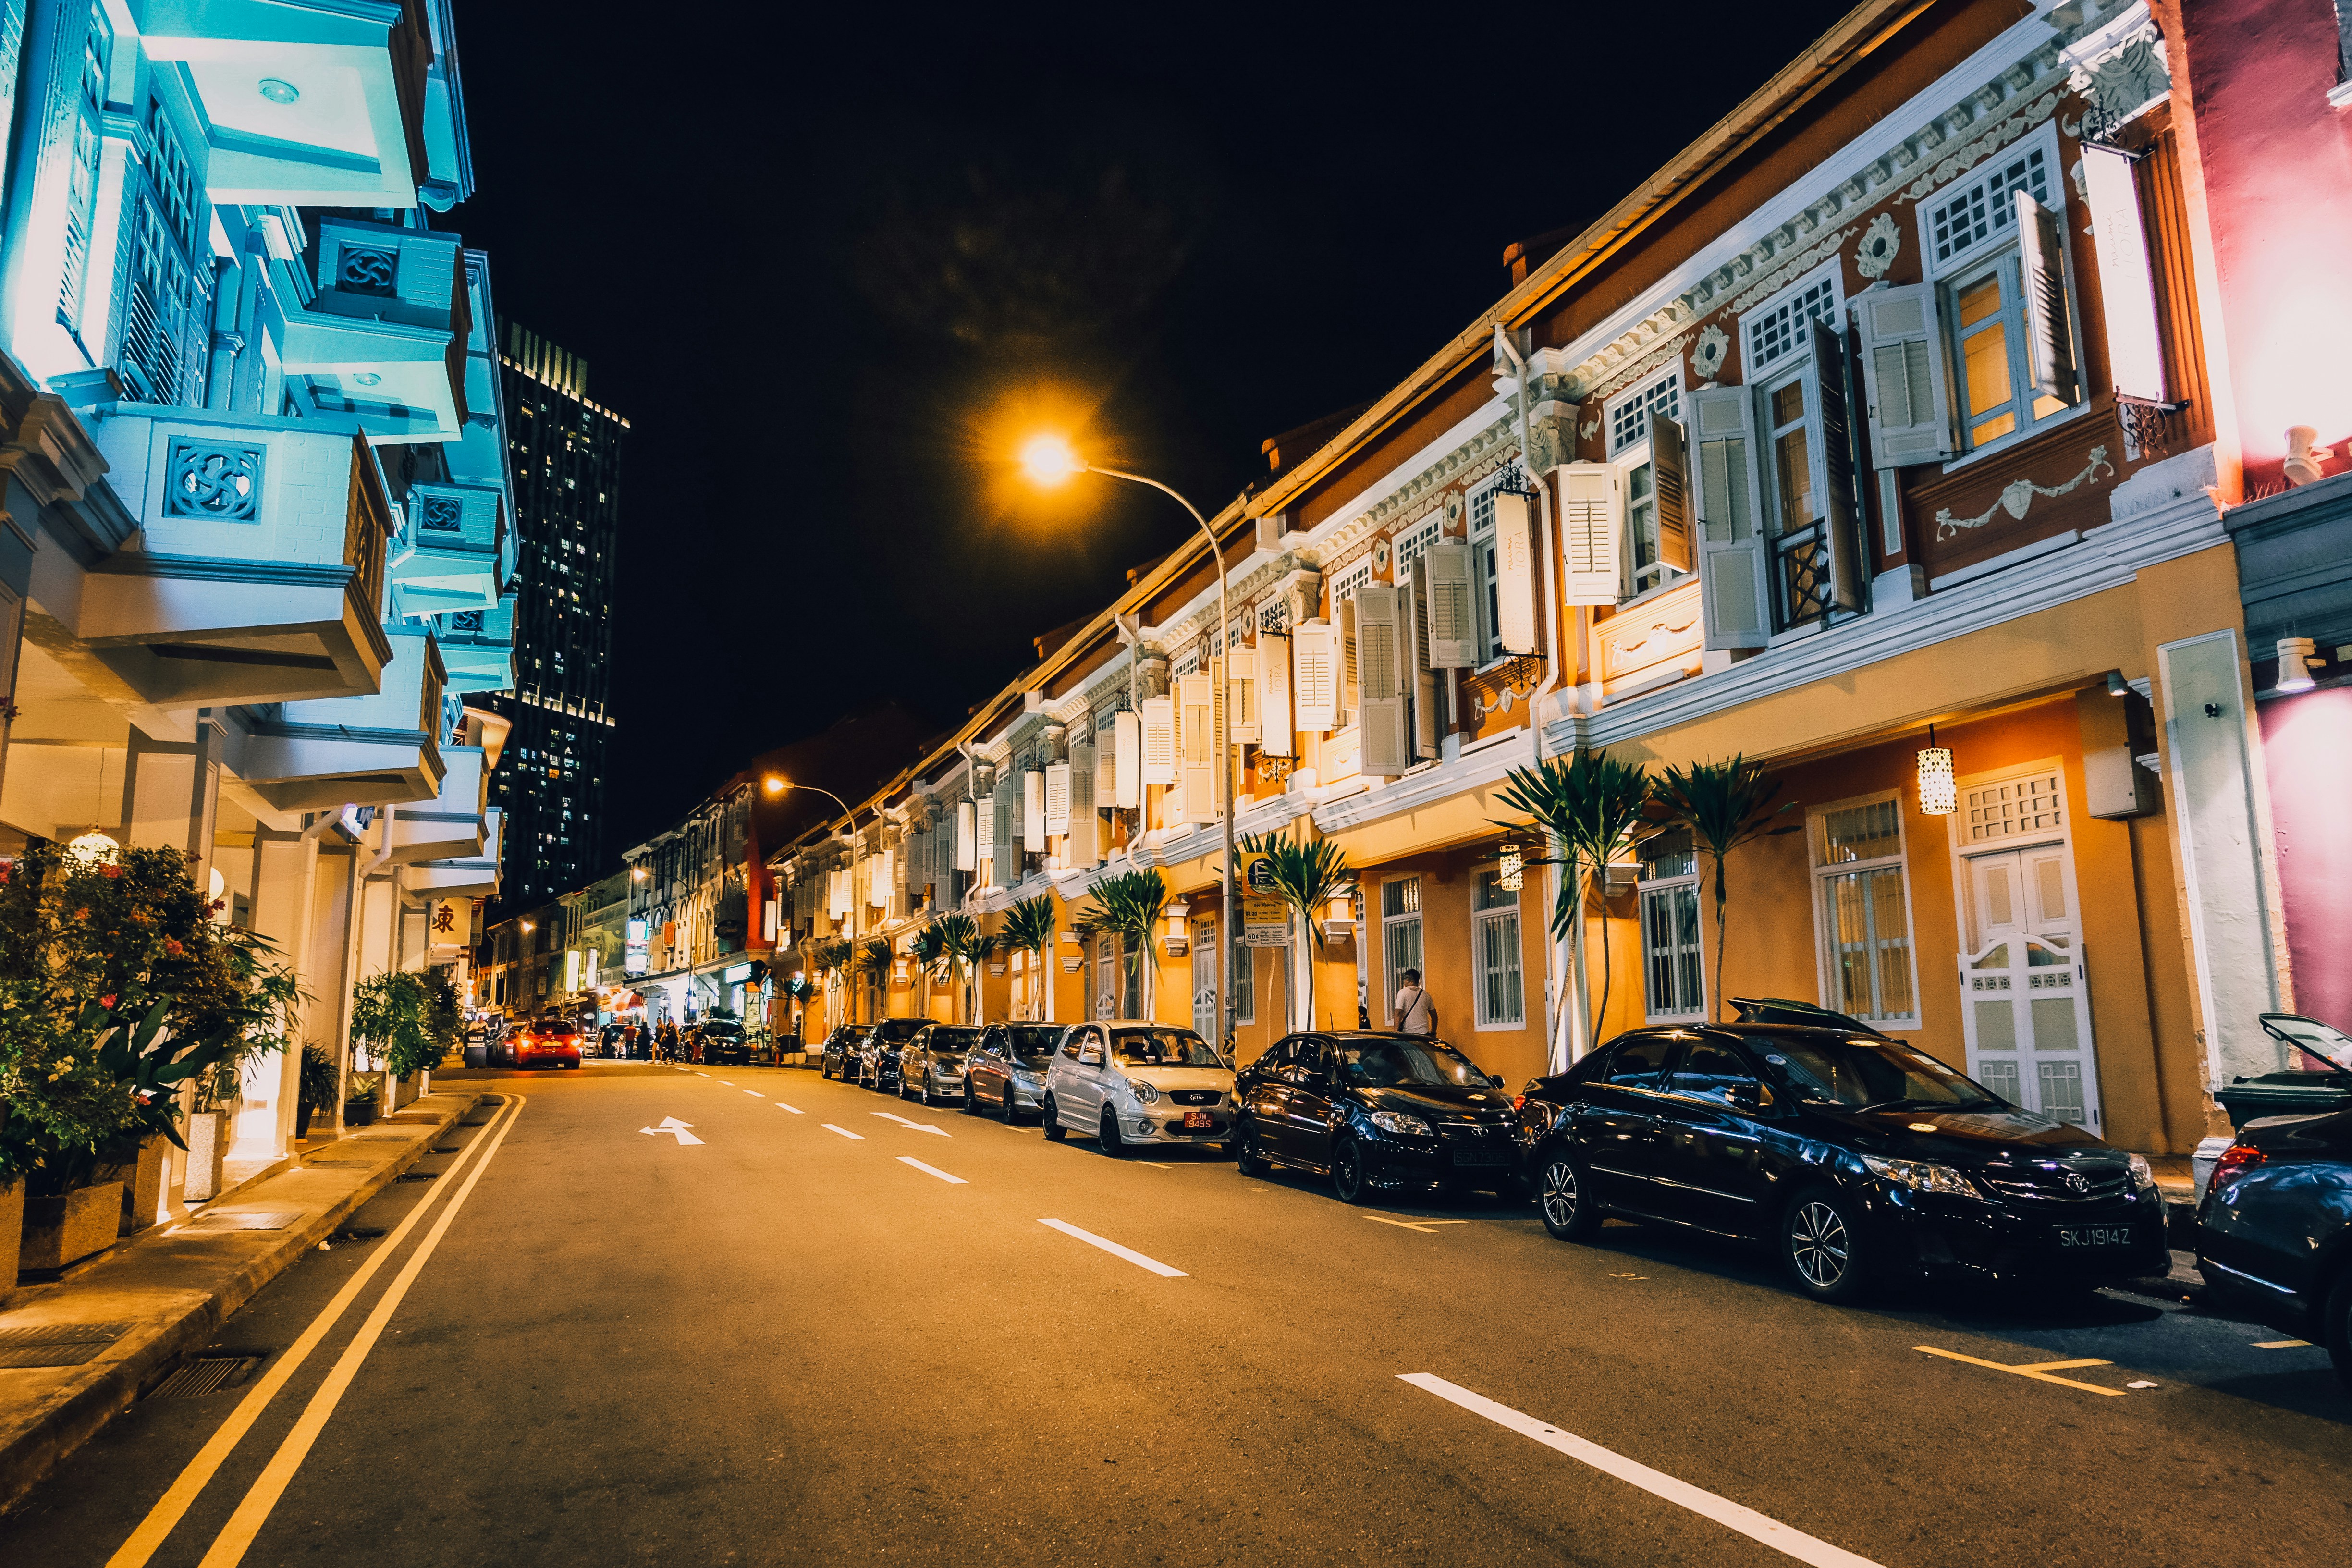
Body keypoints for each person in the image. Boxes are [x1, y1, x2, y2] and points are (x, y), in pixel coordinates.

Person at [1393, 968, 1435, 1037]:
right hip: (1424, 1034)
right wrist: (1433, 1033)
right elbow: (1434, 1016)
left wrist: (1396, 1033)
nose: (1404, 982)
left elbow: (1398, 1013)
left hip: (1409, 1033)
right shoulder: (1426, 995)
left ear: (1410, 981)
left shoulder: (1402, 993)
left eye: (1405, 980)